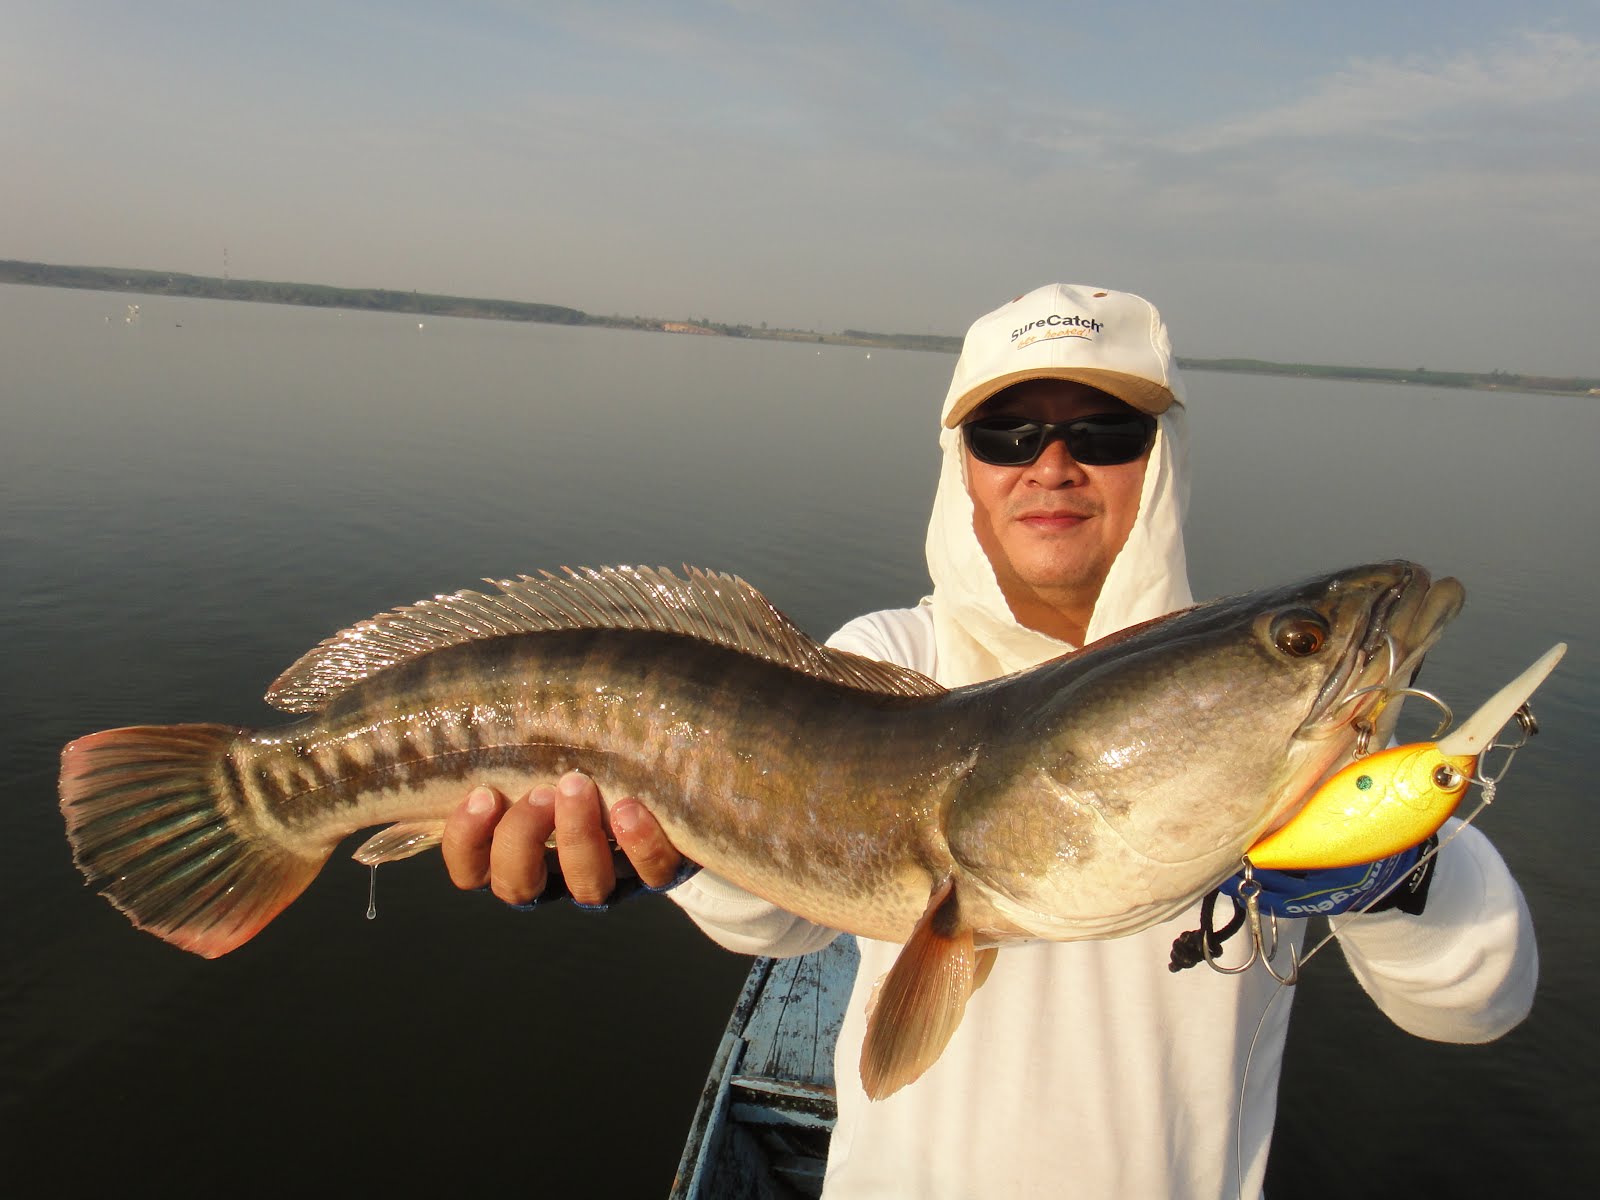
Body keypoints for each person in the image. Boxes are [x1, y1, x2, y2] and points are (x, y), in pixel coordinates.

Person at [440, 283, 1538, 1198]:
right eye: (1006, 432)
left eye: (1104, 432)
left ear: (1159, 461)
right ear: (960, 463)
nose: (1050, 465)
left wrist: (1391, 865)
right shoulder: (882, 660)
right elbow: (769, 920)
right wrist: (663, 854)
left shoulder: (1281, 744)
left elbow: (1479, 1003)